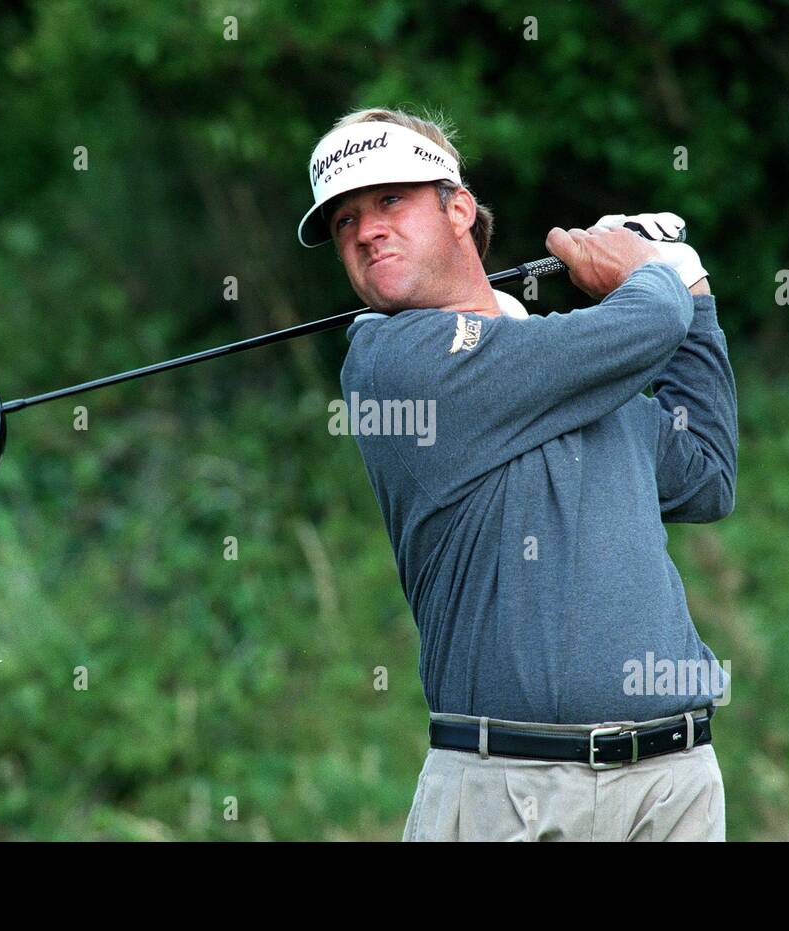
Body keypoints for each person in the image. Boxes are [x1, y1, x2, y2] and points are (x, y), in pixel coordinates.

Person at [298, 107, 738, 841]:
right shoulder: (388, 365)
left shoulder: (565, 363)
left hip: (674, 782)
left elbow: (705, 473)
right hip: (510, 791)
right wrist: (648, 272)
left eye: (389, 201)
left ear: (460, 209)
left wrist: (694, 292)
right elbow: (646, 323)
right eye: (345, 221)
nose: (367, 228)